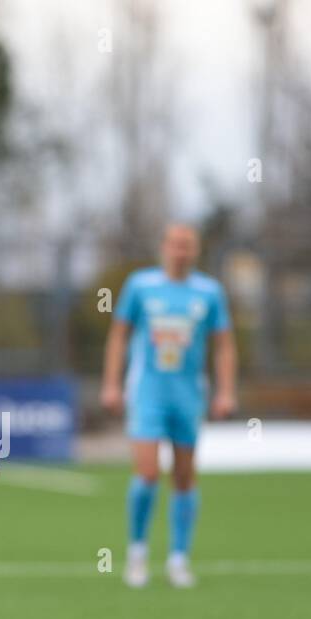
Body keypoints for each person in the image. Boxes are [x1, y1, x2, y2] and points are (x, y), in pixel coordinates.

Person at [100, 224, 237, 588]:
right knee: (146, 473)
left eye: (188, 246)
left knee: (184, 476)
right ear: (163, 248)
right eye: (176, 245)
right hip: (147, 393)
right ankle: (137, 553)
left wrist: (225, 391)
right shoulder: (141, 286)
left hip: (189, 394)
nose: (182, 251)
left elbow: (224, 344)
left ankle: (179, 557)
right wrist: (111, 383)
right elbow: (119, 334)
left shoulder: (209, 292)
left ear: (197, 251)